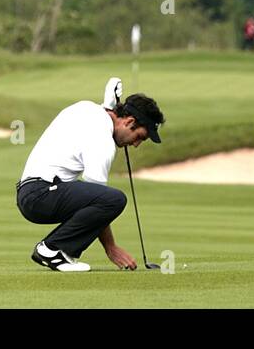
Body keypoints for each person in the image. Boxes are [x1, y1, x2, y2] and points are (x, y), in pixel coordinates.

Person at [15, 91, 165, 272]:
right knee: (115, 199)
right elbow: (100, 200)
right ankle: (53, 249)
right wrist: (111, 247)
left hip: (32, 192)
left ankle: (56, 249)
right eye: (140, 137)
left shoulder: (88, 108)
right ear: (130, 122)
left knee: (106, 198)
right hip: (41, 194)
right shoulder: (103, 142)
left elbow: (106, 109)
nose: (136, 144)